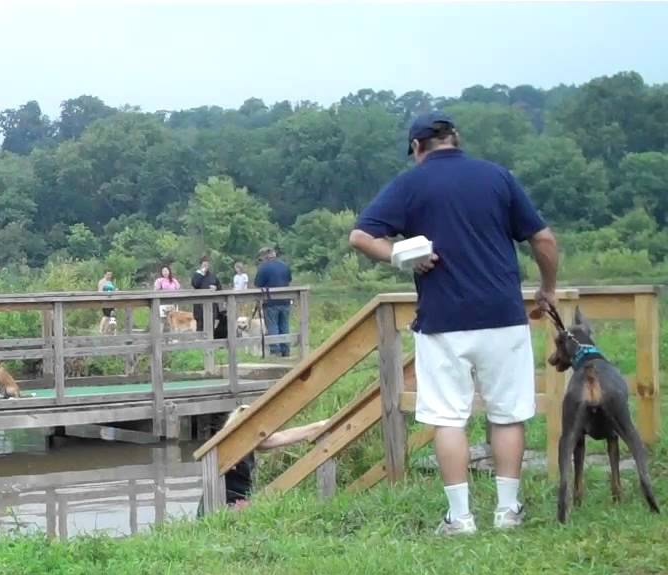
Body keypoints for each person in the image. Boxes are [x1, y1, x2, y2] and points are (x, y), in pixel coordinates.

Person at [349, 110, 559, 537]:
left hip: (443, 320)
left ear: (416, 148)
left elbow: (361, 235)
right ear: (456, 139)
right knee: (507, 415)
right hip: (502, 316)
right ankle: (507, 512)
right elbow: (543, 239)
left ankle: (460, 519)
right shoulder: (498, 177)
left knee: (448, 418)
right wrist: (548, 288)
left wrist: (400, 255)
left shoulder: (410, 183)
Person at [197, 413, 330, 516]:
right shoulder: (227, 448)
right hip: (225, 505)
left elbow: (283, 437)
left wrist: (319, 425)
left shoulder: (250, 441)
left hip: (236, 502)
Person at [255, 247, 292, 357]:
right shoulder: (285, 265)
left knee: (272, 325)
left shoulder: (263, 267)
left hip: (271, 301)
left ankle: (275, 350)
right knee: (284, 325)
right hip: (285, 300)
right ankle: (286, 349)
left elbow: (258, 283)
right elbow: (289, 279)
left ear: (264, 256)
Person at [190, 255, 220, 333]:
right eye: (204, 265)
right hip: (199, 305)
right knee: (200, 325)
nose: (206, 267)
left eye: (207, 265)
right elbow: (195, 284)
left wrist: (216, 288)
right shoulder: (196, 275)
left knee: (211, 325)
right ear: (201, 265)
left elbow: (219, 287)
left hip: (212, 305)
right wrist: (202, 274)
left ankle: (211, 342)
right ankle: (200, 343)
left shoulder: (212, 276)